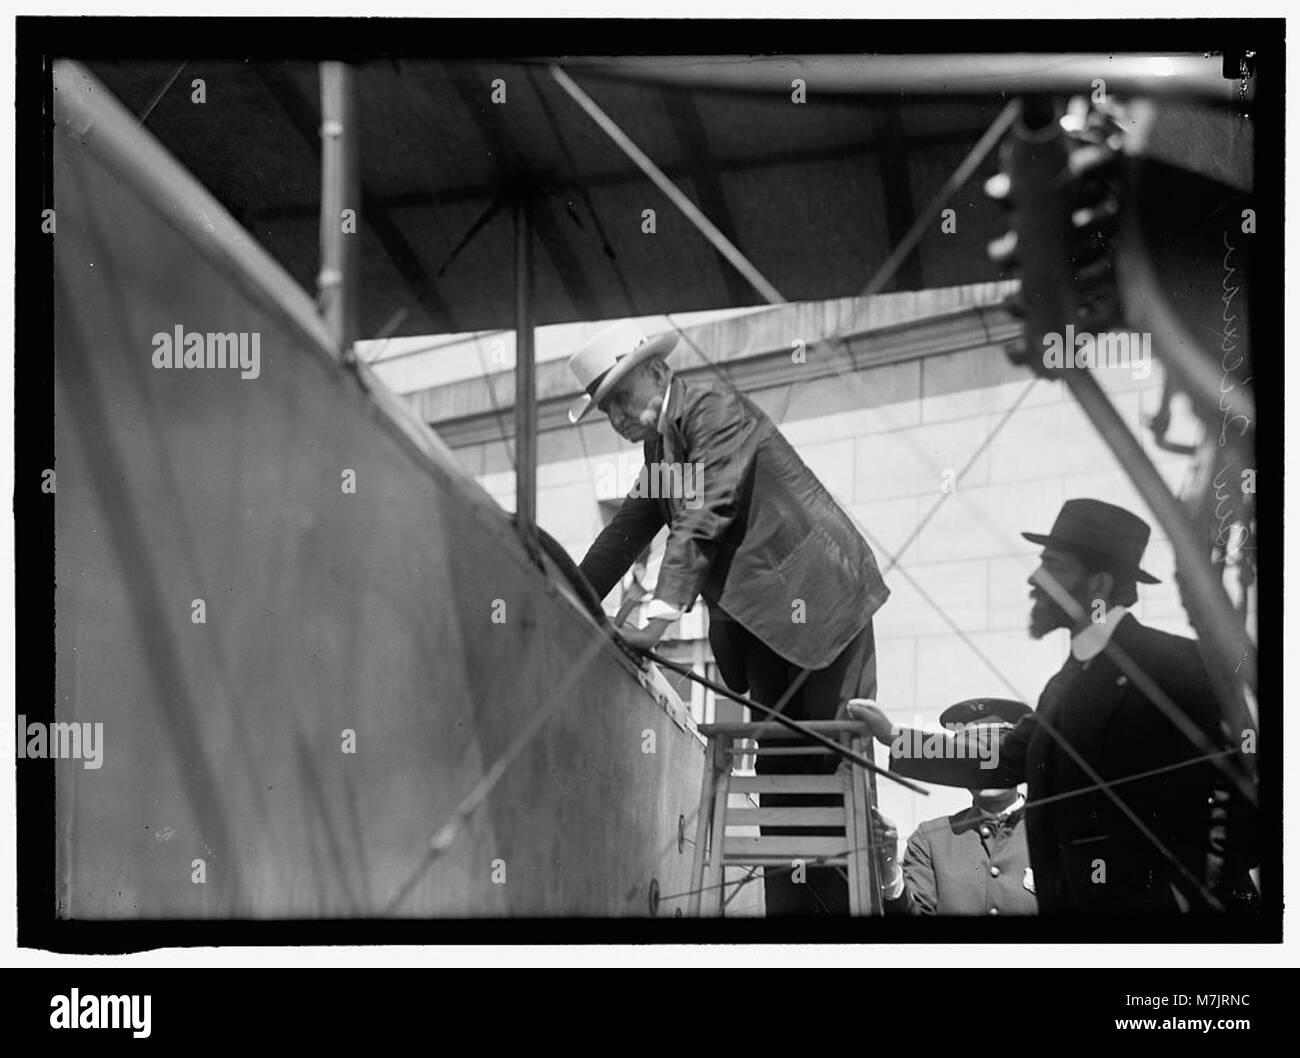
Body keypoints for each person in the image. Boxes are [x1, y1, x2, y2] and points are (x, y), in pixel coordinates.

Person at [568, 322, 890, 915]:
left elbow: (702, 516)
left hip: (824, 613)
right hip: (765, 631)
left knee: (829, 769)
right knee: (778, 769)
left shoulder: (714, 412)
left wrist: (653, 621)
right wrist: (574, 599)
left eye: (621, 397)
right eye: (605, 408)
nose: (616, 416)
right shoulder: (662, 447)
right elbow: (628, 529)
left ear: (658, 372)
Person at [851, 498, 1256, 914]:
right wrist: (894, 737)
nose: (1035, 579)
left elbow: (1246, 797)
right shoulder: (1063, 686)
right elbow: (1001, 760)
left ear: (1098, 585)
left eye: (1055, 566)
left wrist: (1180, 900)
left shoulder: (1179, 664)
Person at [877, 699, 1037, 916]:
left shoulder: (1055, 830)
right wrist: (890, 873)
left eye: (997, 757)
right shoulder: (930, 840)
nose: (986, 768)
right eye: (973, 760)